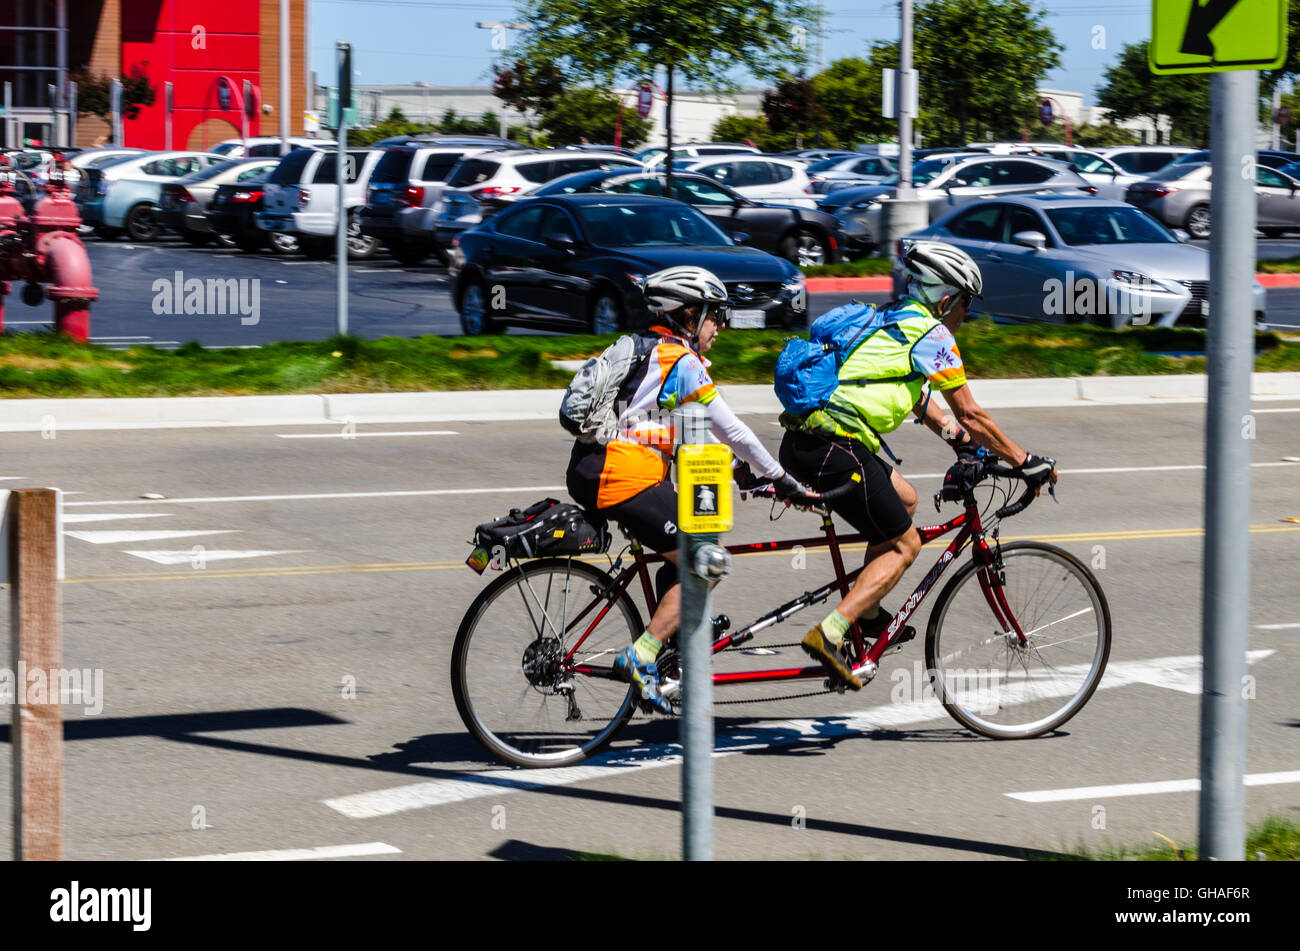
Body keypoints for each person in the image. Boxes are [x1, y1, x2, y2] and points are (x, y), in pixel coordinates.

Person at [778, 240, 1058, 689]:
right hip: (834, 447)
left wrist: (963, 444)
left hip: (812, 441)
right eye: (966, 304)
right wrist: (1025, 462)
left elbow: (921, 400)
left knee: (905, 500)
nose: (967, 315)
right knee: (905, 545)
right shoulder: (932, 334)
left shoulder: (893, 320)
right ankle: (829, 634)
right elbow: (970, 411)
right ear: (946, 300)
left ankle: (866, 613)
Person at [567, 266, 814, 712]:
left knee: (685, 556)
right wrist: (781, 477)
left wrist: (740, 472)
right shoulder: (679, 362)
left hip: (598, 468)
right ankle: (640, 657)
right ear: (688, 315)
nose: (721, 326)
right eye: (716, 316)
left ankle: (669, 659)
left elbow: (684, 429)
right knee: (706, 560)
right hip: (621, 475)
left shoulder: (655, 354)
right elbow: (733, 429)